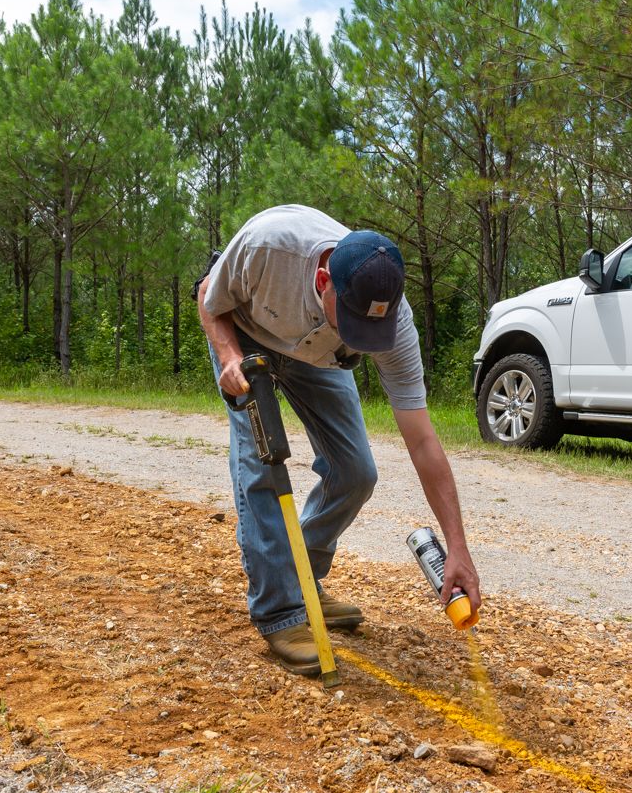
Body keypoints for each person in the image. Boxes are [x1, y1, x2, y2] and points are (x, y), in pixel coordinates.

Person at [197, 204, 481, 675]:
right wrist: (228, 356)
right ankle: (280, 612)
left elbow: (423, 442)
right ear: (325, 280)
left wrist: (457, 545)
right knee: (262, 467)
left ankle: (301, 579)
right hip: (247, 339)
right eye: (354, 322)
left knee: (355, 472)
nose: (368, 338)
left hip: (316, 358)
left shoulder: (394, 322)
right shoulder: (269, 246)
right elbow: (210, 296)